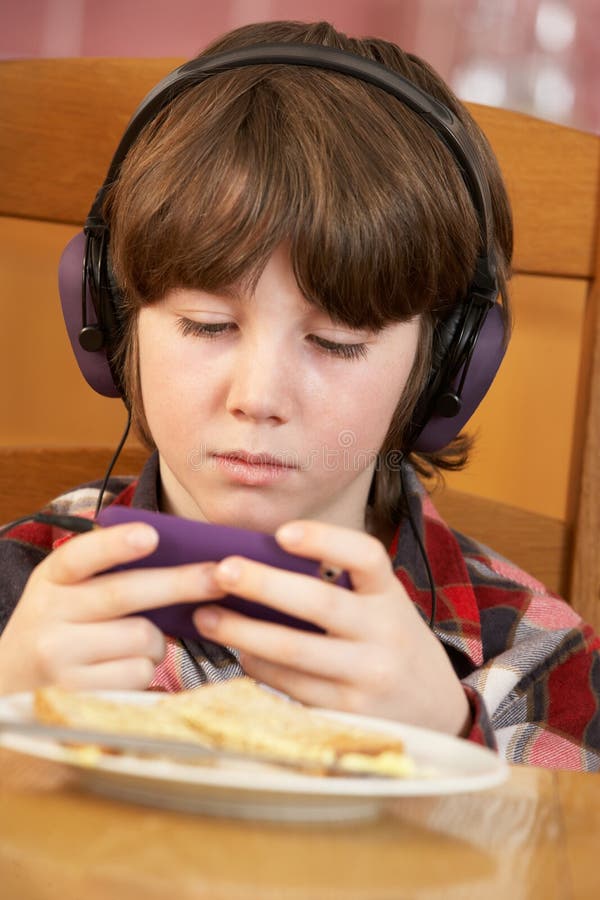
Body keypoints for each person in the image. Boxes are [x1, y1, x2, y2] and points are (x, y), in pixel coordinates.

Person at [1, 19, 599, 770]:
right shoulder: (15, 591)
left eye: (337, 342)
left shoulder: (538, 655)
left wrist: (451, 744)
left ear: (448, 369)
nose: (259, 397)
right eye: (207, 324)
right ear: (109, 323)